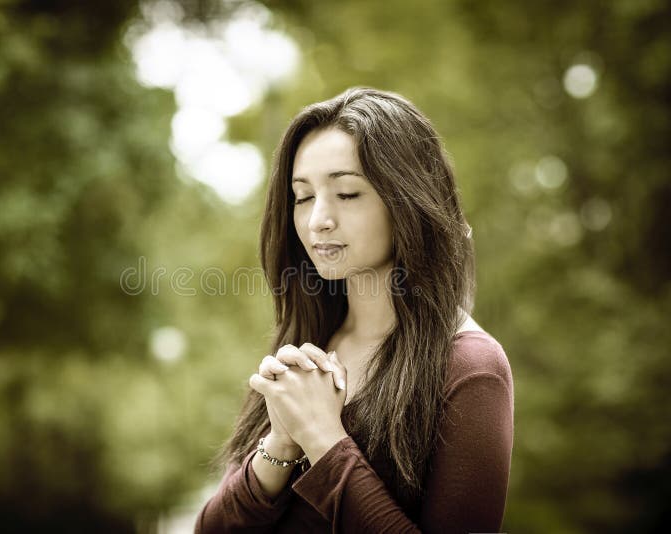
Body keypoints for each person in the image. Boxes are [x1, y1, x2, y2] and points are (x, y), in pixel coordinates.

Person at [195, 87, 514, 533]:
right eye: (303, 196)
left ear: (408, 200)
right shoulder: (303, 349)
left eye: (346, 194)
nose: (316, 220)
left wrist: (324, 439)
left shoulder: (469, 368)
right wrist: (280, 447)